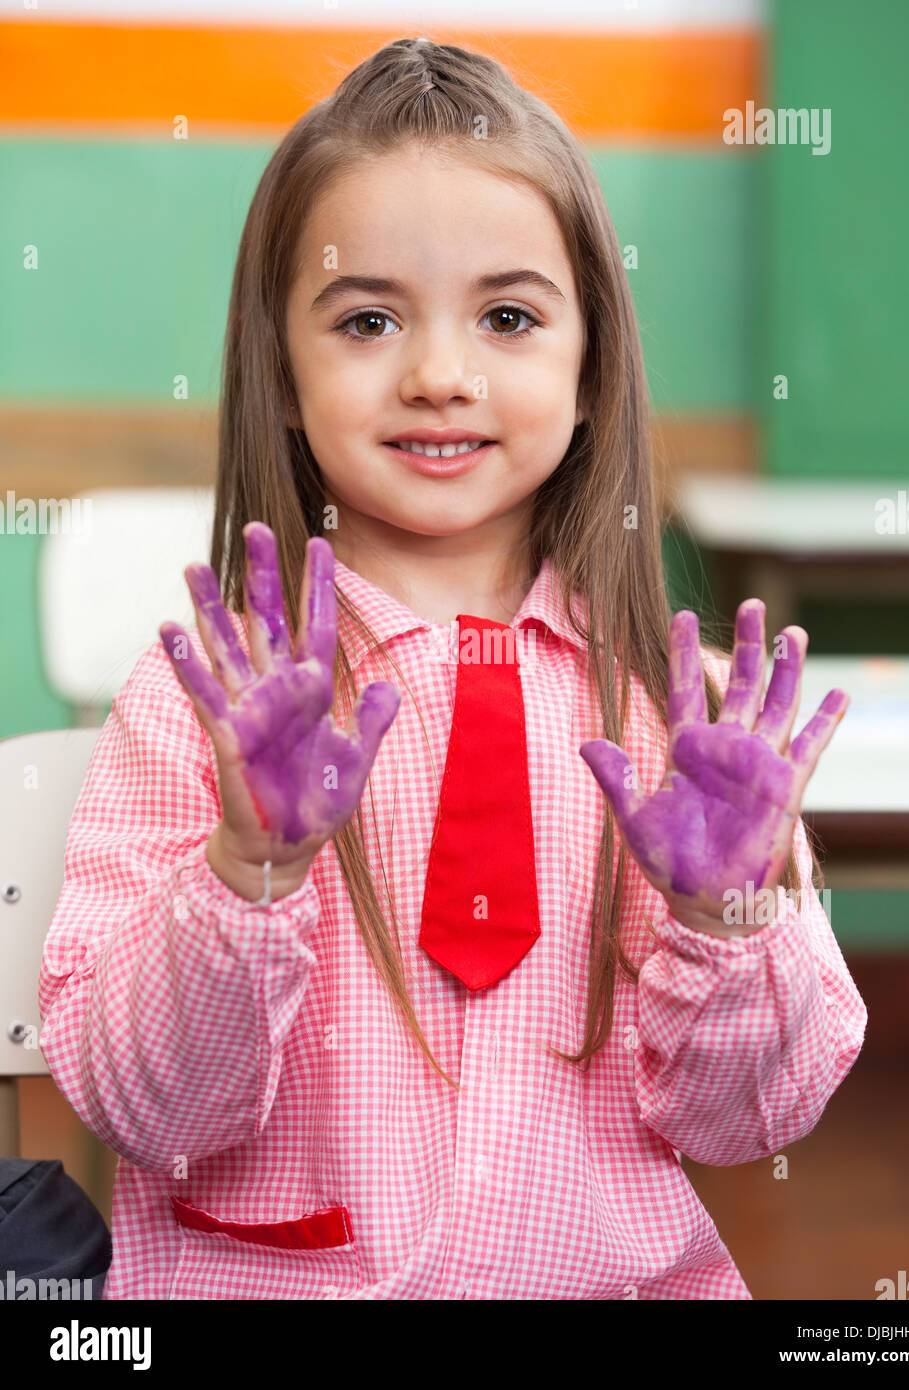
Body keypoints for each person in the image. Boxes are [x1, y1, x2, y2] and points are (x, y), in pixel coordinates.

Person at [39, 36, 867, 1300]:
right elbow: (146, 1109)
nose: (437, 373)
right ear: (283, 367)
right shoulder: (206, 706)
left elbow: (743, 1125)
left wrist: (729, 916)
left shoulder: (668, 718)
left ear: (590, 365)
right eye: (367, 317)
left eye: (509, 315)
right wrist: (248, 869)